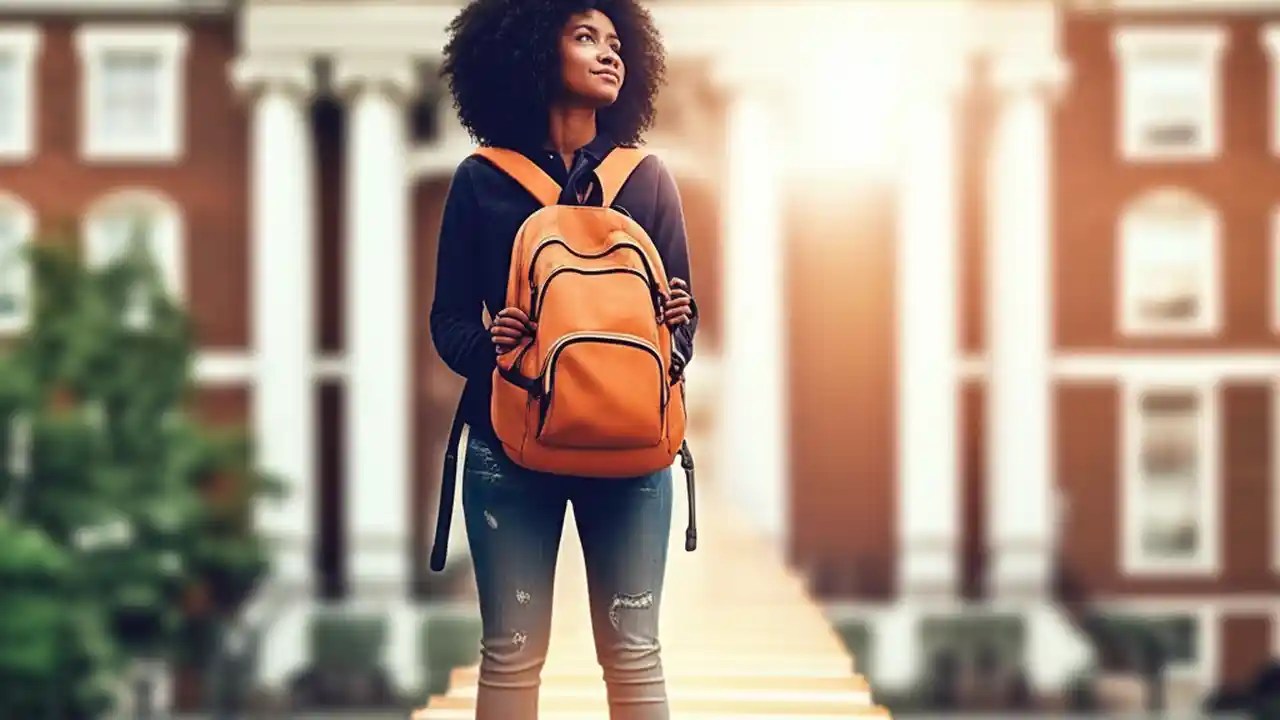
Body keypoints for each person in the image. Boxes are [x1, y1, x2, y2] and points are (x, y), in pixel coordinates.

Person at [424, 1, 698, 718]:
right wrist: (494, 350)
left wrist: (679, 327)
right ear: (535, 52)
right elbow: (447, 321)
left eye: (616, 42)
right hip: (510, 445)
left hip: (631, 446)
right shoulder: (480, 180)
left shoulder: (649, 179)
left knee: (634, 657)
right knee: (513, 658)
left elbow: (681, 326)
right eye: (586, 38)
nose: (610, 54)